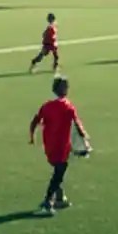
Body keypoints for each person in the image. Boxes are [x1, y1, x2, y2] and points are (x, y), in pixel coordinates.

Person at [29, 76, 91, 216]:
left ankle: (59, 198)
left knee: (58, 170)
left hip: (49, 146)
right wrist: (85, 142)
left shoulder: (47, 106)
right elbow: (78, 125)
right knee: (58, 174)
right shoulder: (68, 106)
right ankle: (47, 203)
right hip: (61, 147)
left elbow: (35, 121)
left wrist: (32, 136)